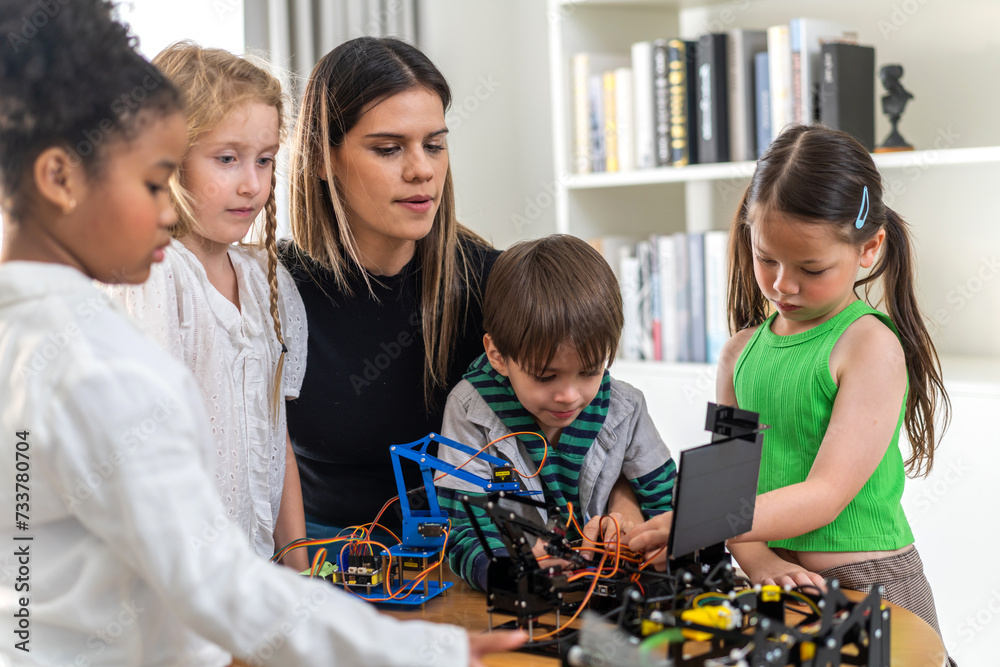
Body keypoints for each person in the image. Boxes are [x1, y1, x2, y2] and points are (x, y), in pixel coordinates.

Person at [0, 1, 524, 664]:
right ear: (58, 178)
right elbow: (210, 578)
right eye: (155, 180)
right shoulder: (103, 363)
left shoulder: (55, 338)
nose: (171, 209)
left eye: (264, 161)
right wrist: (422, 651)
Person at [628, 125, 954, 658]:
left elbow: (825, 495)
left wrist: (698, 519)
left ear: (869, 248)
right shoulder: (739, 353)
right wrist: (759, 562)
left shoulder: (868, 345)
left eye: (811, 268)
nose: (782, 284)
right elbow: (728, 481)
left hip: (872, 585)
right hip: (777, 586)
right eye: (766, 259)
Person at [279, 37, 501, 549]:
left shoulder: (496, 283)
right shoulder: (270, 290)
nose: (421, 169)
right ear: (320, 157)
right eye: (389, 148)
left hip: (475, 557)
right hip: (322, 568)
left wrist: (624, 506)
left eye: (435, 144)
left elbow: (597, 414)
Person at [103, 42, 309, 572]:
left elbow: (276, 436)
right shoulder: (153, 274)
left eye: (265, 160)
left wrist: (298, 571)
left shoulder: (266, 279)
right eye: (226, 159)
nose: (252, 184)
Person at [433, 234, 678, 591]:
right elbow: (461, 530)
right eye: (546, 376)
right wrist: (513, 572)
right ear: (498, 355)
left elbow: (667, 507)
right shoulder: (470, 409)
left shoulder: (625, 407)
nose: (568, 395)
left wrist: (641, 534)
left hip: (604, 593)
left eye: (591, 370)